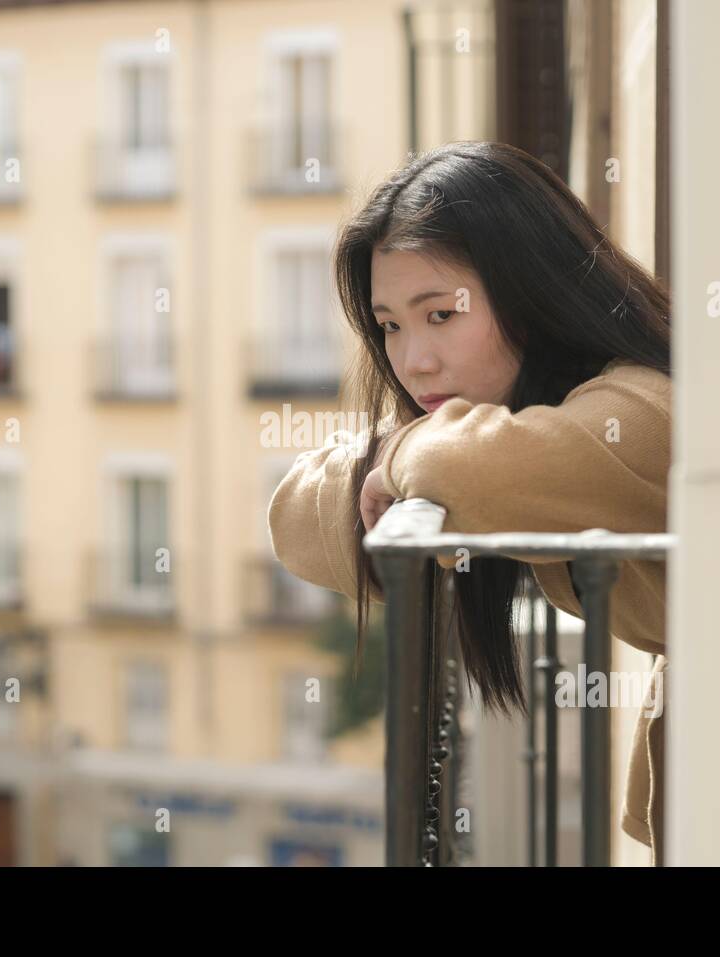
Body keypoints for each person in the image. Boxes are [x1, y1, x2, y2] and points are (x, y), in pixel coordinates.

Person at [267, 141, 672, 865]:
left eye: (442, 314)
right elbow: (296, 519)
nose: (414, 359)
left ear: (534, 289)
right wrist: (403, 460)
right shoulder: (529, 422)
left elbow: (468, 467)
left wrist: (395, 454)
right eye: (391, 325)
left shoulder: (639, 412)